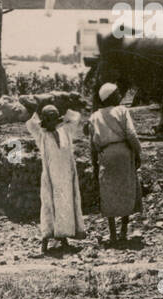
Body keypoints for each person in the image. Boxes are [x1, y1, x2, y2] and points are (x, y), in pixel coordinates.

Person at [26, 104, 86, 253]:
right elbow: (31, 124)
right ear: (45, 121)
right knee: (49, 207)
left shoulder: (65, 131)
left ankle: (64, 239)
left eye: (55, 118)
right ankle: (45, 241)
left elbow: (75, 117)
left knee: (66, 207)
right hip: (51, 179)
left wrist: (63, 106)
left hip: (66, 178)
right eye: (49, 119)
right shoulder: (42, 135)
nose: (53, 122)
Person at [88, 82, 142, 244]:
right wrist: (138, 152)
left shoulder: (94, 116)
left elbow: (92, 144)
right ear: (111, 97)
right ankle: (124, 231)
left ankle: (112, 234)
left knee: (108, 192)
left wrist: (95, 164)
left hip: (105, 154)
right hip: (124, 153)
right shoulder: (122, 111)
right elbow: (131, 134)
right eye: (118, 94)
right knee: (126, 188)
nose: (120, 96)